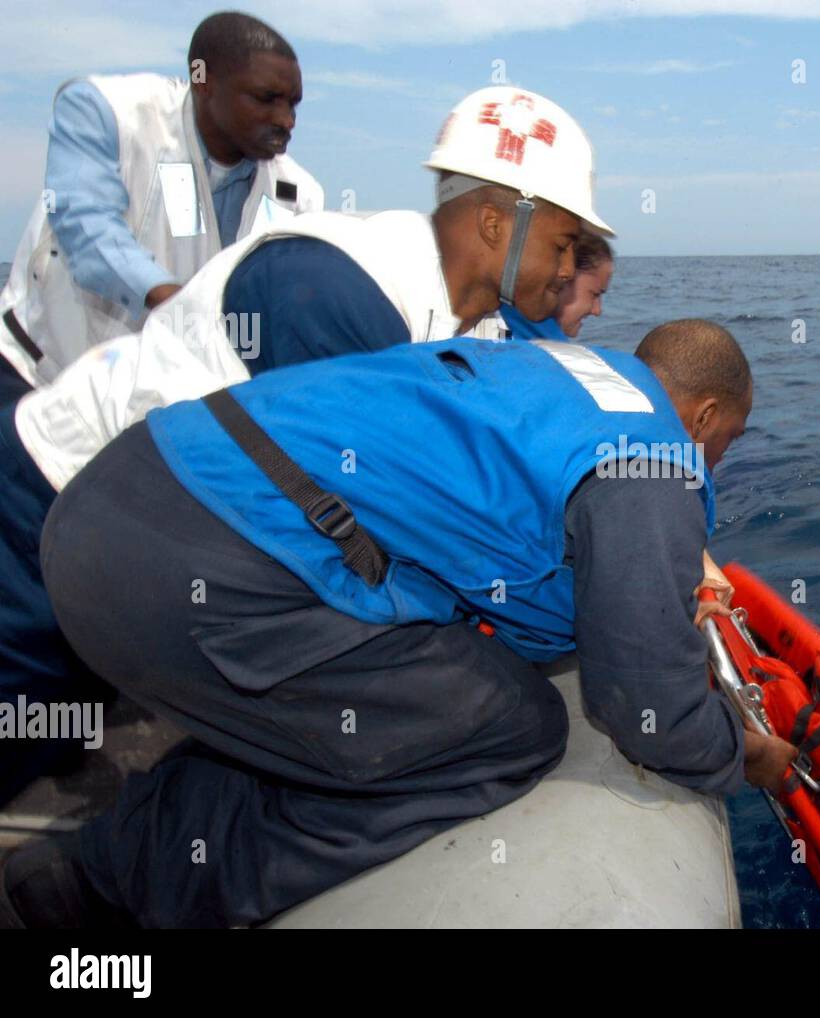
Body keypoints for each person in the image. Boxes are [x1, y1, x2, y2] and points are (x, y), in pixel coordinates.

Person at [0, 319, 797, 929]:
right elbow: (643, 712)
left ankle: (74, 870)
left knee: (367, 694)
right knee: (512, 727)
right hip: (194, 574)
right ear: (704, 416)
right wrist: (744, 756)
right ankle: (124, 891)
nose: (710, 469)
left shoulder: (545, 365)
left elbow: (509, 550)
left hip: (109, 505)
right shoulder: (654, 457)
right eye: (721, 448)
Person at [0, 84, 612, 804]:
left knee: (59, 719)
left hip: (158, 530)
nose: (570, 272)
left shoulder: (468, 320)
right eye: (563, 246)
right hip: (55, 495)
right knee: (23, 710)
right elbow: (391, 531)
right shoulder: (336, 290)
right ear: (494, 224)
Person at [0, 11, 323, 400]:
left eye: (293, 104)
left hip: (152, 406)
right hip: (37, 378)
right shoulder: (109, 114)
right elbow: (87, 227)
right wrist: (180, 304)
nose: (286, 119)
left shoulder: (300, 194)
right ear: (204, 82)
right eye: (266, 99)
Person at [499, 231, 614, 340]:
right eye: (595, 294)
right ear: (562, 278)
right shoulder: (545, 348)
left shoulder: (502, 323)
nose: (597, 310)